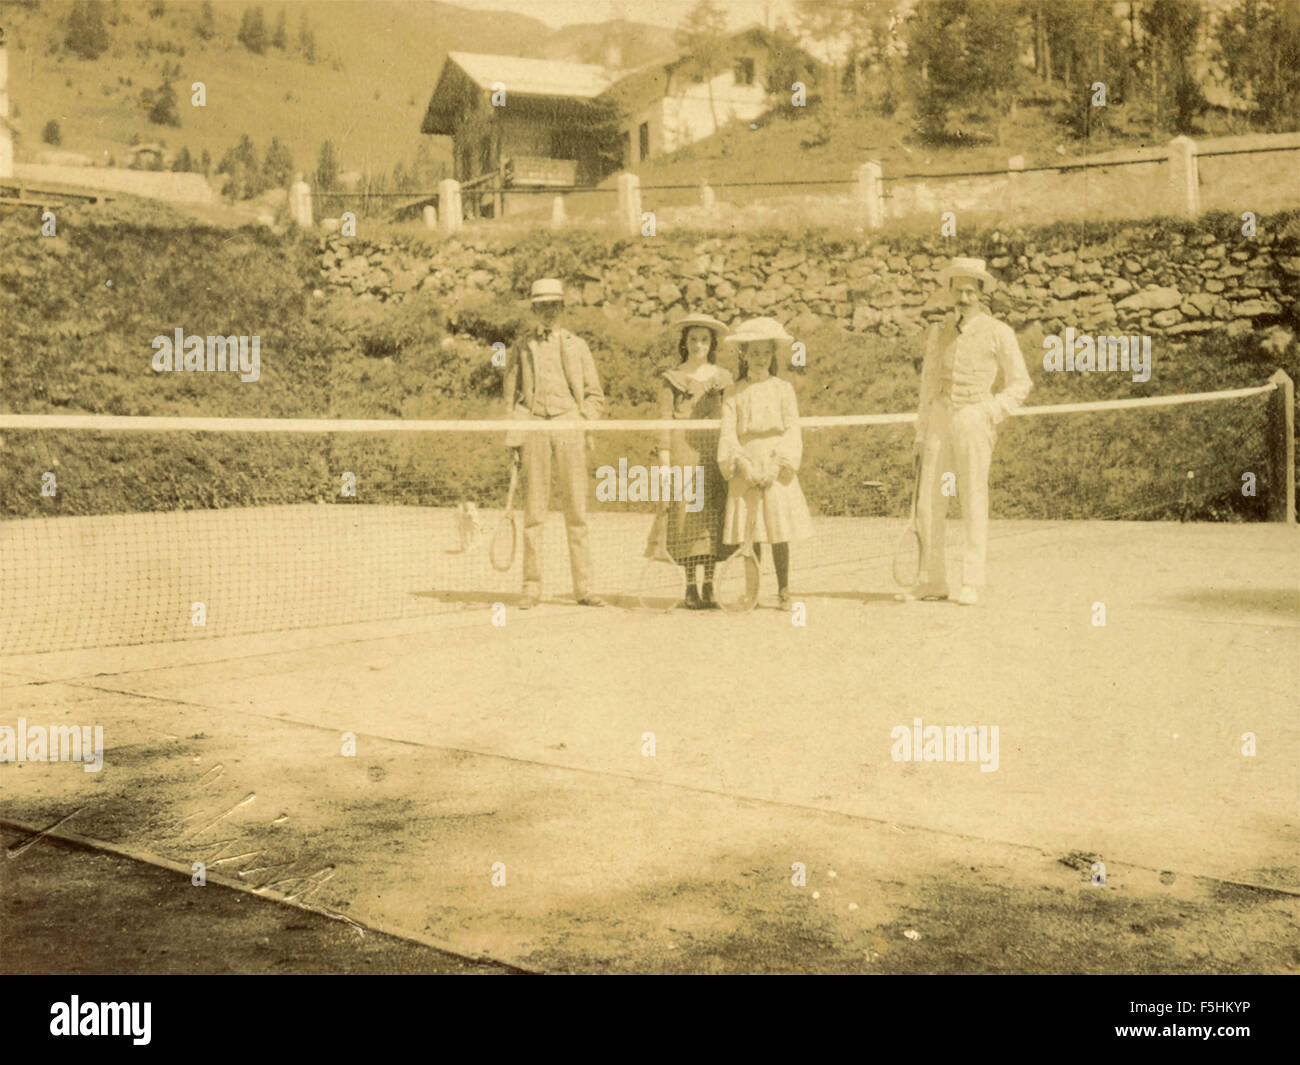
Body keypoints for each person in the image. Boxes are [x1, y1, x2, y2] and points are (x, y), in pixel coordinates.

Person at [907, 257, 1032, 607]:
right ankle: (934, 580)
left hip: (974, 419)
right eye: (958, 291)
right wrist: (921, 432)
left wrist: (989, 410)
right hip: (940, 418)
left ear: (980, 294)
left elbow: (1021, 383)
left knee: (973, 496)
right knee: (929, 500)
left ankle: (971, 581)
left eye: (970, 292)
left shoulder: (999, 332)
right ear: (950, 292)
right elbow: (927, 383)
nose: (963, 298)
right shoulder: (939, 331)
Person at [503, 278, 606, 609]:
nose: (548, 312)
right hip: (535, 427)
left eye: (553, 306)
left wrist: (581, 420)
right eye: (542, 306)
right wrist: (515, 437)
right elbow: (512, 397)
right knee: (534, 513)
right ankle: (531, 587)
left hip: (568, 426)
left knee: (577, 511)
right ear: (534, 309)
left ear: (562, 308)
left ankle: (585, 588)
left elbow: (595, 395)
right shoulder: (522, 347)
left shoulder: (578, 346)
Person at [717, 317, 813, 609]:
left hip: (774, 465)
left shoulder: (783, 389)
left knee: (778, 530)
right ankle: (752, 592)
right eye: (754, 352)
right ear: (744, 354)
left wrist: (777, 465)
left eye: (766, 353)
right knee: (751, 531)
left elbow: (792, 430)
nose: (760, 359)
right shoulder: (733, 392)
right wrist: (741, 463)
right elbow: (728, 433)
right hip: (746, 464)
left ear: (773, 355)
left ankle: (784, 590)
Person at [651, 314, 734, 609]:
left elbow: (732, 415)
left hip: (714, 453)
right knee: (687, 514)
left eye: (704, 339)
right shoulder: (672, 378)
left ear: (712, 344)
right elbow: (664, 419)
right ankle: (689, 587)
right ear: (685, 343)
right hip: (683, 451)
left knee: (712, 515)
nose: (699, 345)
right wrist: (664, 457)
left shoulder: (723, 377)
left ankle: (709, 585)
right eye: (693, 339)